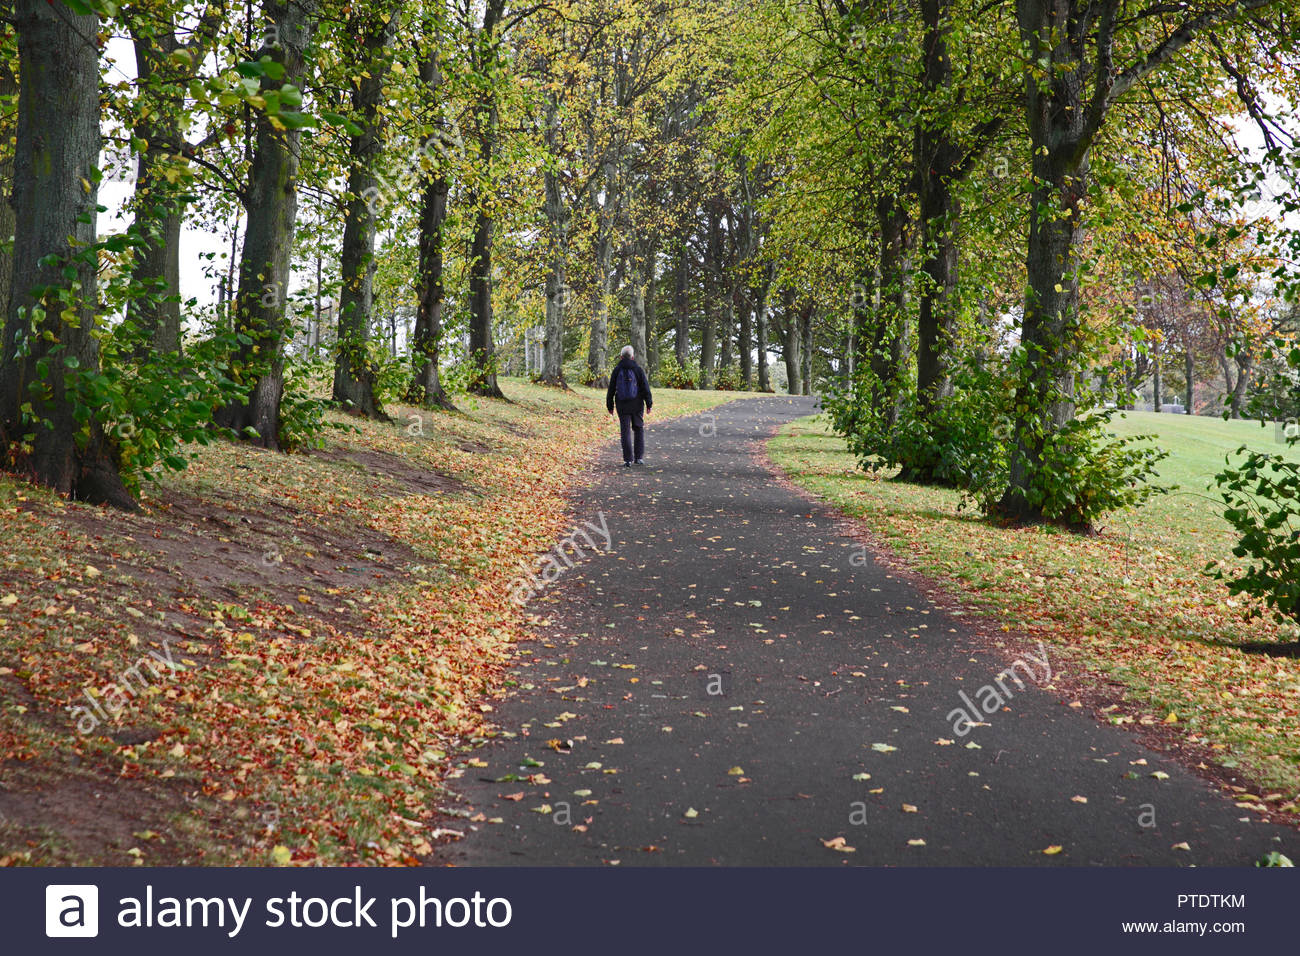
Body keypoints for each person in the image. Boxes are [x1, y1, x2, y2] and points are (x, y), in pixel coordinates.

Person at [606, 345, 653, 466]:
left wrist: (610, 405)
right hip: (637, 404)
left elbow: (611, 389)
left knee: (625, 430)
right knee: (638, 429)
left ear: (621, 357)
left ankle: (628, 459)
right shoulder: (638, 369)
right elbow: (645, 387)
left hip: (622, 404)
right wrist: (649, 403)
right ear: (632, 357)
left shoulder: (617, 370)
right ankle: (639, 458)